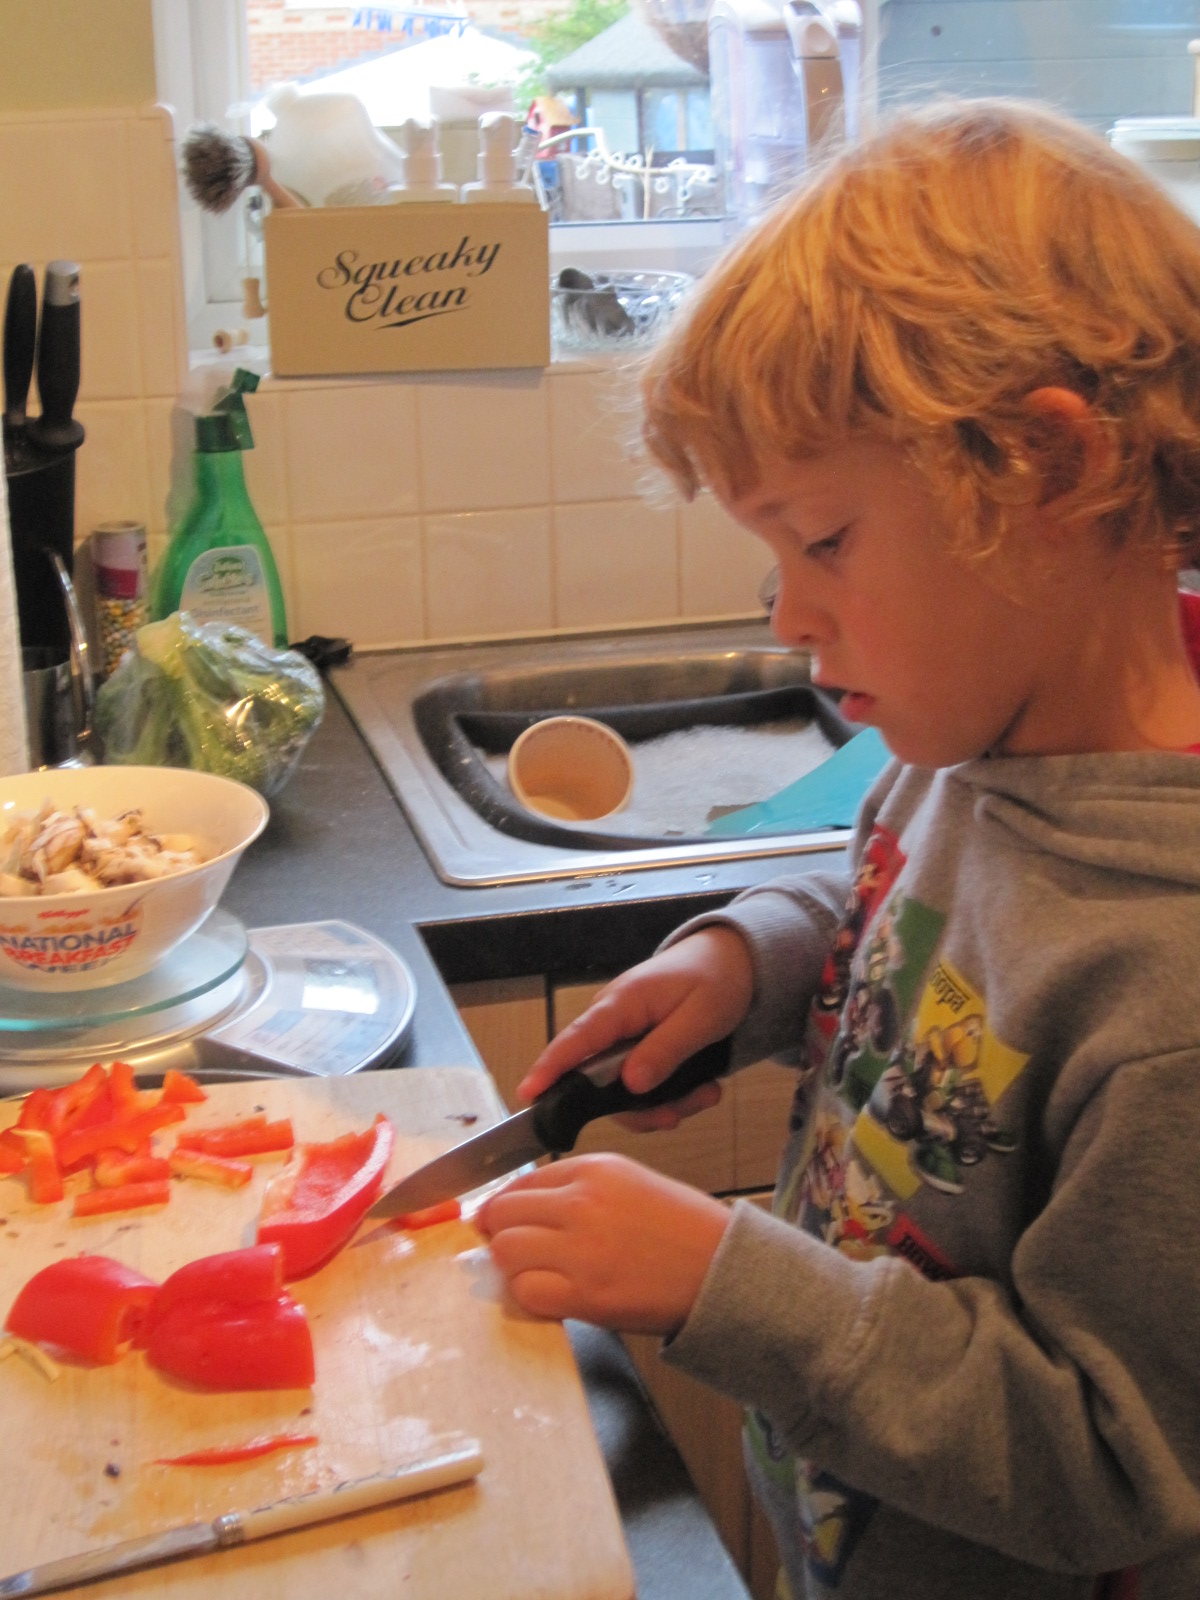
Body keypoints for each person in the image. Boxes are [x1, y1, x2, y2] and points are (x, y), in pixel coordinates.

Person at [478, 100, 1200, 1600]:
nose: (784, 617)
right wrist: (758, 957)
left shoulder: (1169, 983)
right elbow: (910, 902)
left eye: (824, 540)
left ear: (1048, 476)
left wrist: (729, 1286)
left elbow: (1120, 1465)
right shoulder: (980, 749)